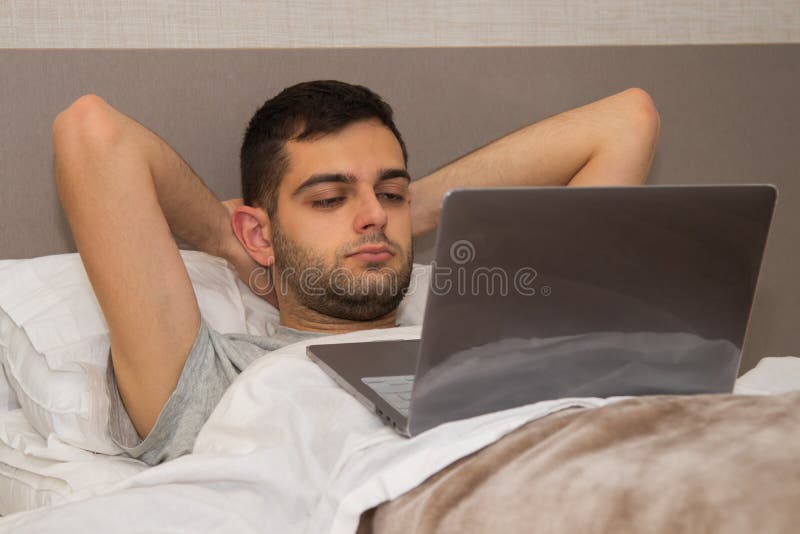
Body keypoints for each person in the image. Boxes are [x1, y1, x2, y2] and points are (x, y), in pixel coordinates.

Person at [52, 80, 660, 466]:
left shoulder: (490, 338)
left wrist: (408, 209)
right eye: (328, 199)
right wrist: (227, 240)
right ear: (260, 233)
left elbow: (626, 122)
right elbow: (91, 131)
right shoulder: (216, 378)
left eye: (390, 194)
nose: (374, 216)